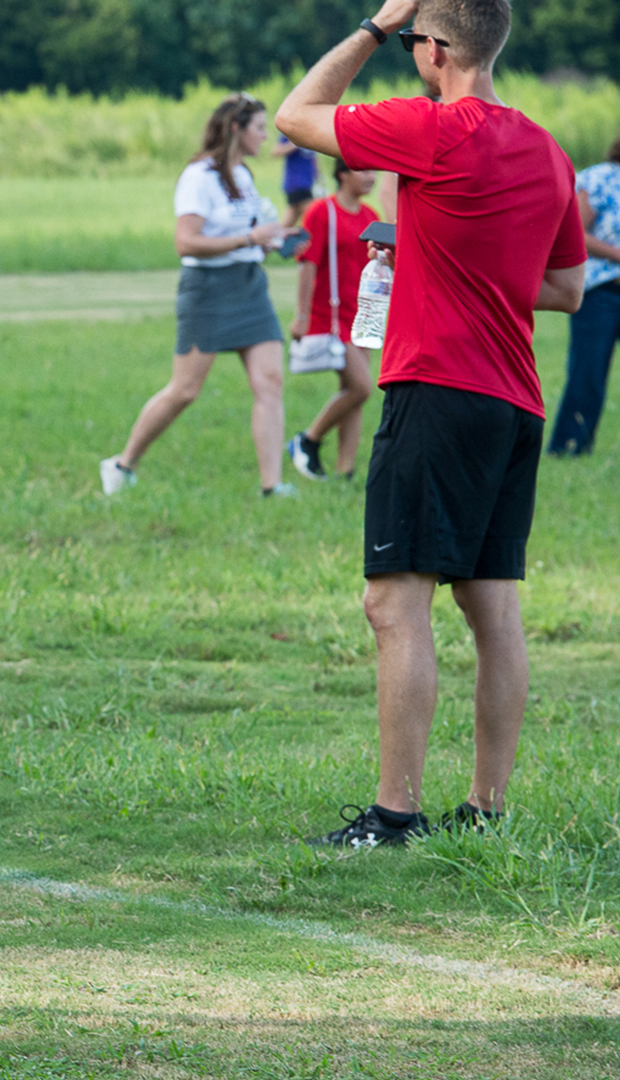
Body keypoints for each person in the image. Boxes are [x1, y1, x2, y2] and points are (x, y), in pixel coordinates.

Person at [275, 0, 585, 845]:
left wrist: (376, 25)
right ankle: (485, 810)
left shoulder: (431, 128)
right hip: (513, 402)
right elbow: (566, 290)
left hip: (437, 390)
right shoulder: (548, 151)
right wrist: (439, 255)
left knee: (393, 603)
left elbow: (294, 115)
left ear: (437, 48)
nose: (411, 51)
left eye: (416, 41)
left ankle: (394, 814)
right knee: (495, 612)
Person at [100, 93, 297, 498]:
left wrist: (269, 241)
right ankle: (122, 465)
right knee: (185, 390)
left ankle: (271, 485)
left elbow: (251, 234)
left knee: (270, 381)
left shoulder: (244, 176)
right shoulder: (199, 177)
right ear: (236, 129)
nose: (266, 137)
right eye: (259, 128)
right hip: (208, 291)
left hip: (249, 285)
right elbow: (186, 243)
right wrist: (248, 236)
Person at [285, 159, 381, 480]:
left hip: (361, 314)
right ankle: (308, 440)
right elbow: (307, 265)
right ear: (342, 174)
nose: (371, 176)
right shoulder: (321, 212)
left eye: (373, 170)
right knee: (362, 388)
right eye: (364, 169)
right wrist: (301, 315)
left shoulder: (371, 217)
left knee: (353, 391)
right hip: (329, 316)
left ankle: (346, 470)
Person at [546, 128, 620, 456]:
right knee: (587, 373)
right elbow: (575, 232)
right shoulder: (600, 179)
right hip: (601, 293)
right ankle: (570, 445)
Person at [273, 134, 317, 227]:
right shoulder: (291, 132)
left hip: (308, 183)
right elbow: (276, 151)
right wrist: (296, 144)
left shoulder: (310, 132)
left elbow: (312, 157)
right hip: (296, 183)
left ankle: (277, 238)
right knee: (313, 219)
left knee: (290, 219)